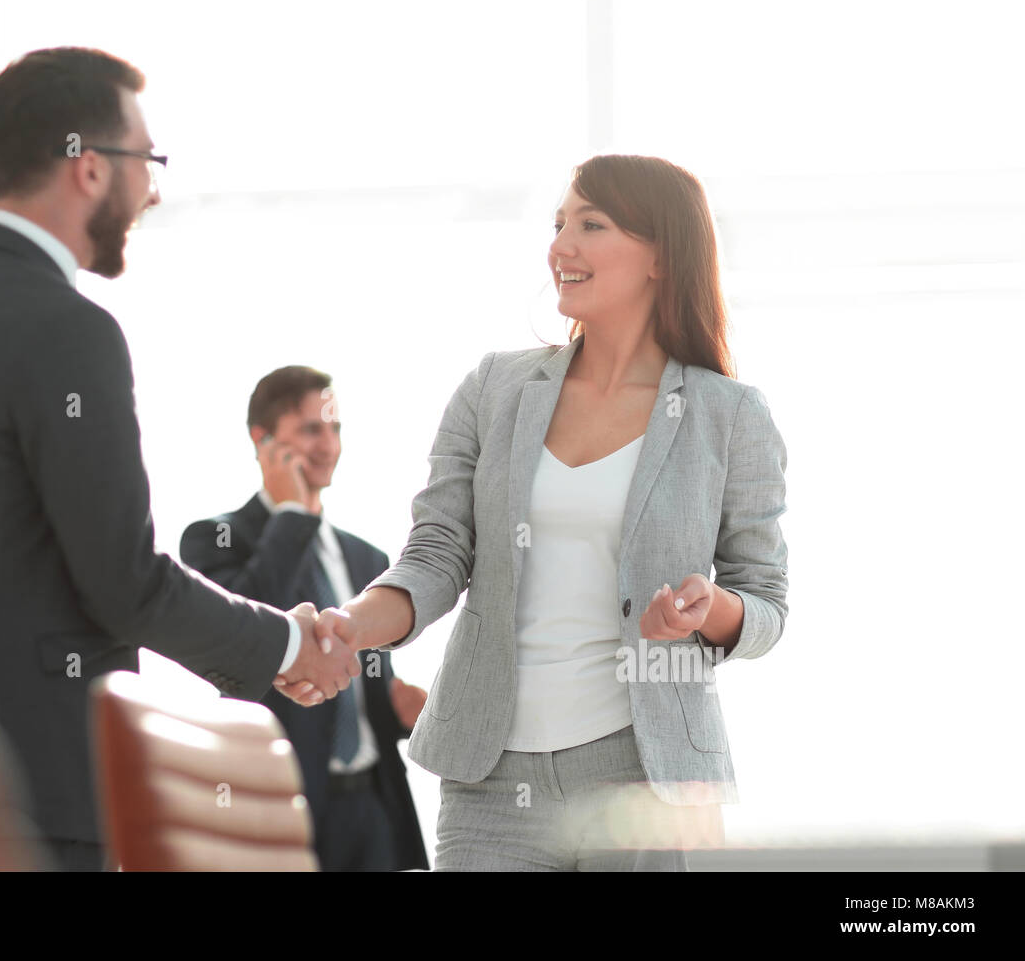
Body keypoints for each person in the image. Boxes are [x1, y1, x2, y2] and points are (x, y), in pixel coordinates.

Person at [0, 47, 358, 872]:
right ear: (89, 168)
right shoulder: (68, 329)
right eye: (146, 161)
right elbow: (124, 583)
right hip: (44, 801)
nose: (153, 189)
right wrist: (286, 646)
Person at [299, 154, 790, 871]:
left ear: (660, 255)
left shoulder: (730, 415)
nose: (561, 245)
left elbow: (766, 604)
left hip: (647, 785)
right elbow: (436, 554)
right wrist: (350, 627)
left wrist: (708, 608)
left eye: (591, 224)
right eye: (559, 223)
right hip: (490, 781)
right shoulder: (494, 388)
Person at [180, 367, 430, 871]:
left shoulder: (367, 559)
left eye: (335, 429)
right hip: (281, 806)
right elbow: (243, 635)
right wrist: (292, 515)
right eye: (311, 429)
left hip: (374, 809)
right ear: (263, 439)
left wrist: (401, 709)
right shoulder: (212, 539)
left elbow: (367, 681)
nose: (328, 445)